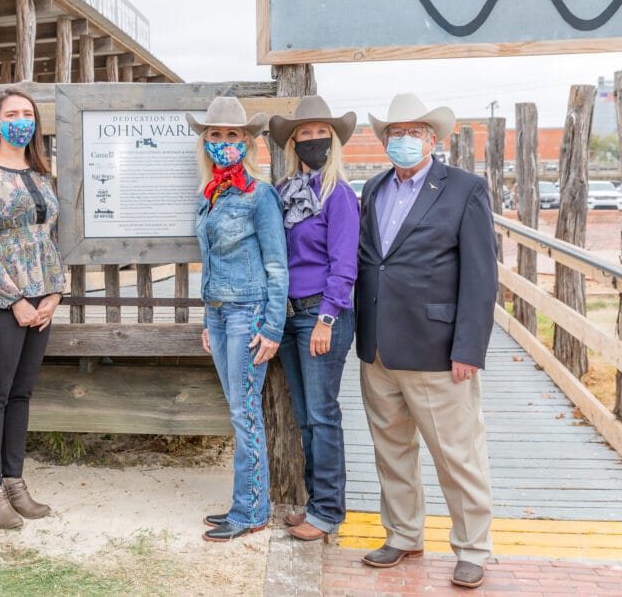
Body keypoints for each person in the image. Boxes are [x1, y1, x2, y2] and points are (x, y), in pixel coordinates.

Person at [356, 93, 497, 589]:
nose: (403, 139)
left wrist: (468, 348)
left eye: (413, 131)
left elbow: (481, 277)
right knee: (391, 449)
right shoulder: (372, 188)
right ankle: (402, 533)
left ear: (432, 139)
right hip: (377, 348)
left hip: (437, 350)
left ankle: (474, 548)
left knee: (457, 454)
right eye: (395, 132)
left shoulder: (465, 189)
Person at [0, 87, 67, 529]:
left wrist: (54, 294)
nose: (21, 120)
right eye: (12, 114)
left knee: (21, 394)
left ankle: (15, 483)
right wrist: (15, 300)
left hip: (39, 302)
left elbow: (47, 240)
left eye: (28, 114)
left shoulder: (41, 175)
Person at [189, 97, 289, 542]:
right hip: (219, 314)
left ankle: (249, 511)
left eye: (233, 135)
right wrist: (207, 318)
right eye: (216, 135)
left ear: (247, 142)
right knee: (239, 412)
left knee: (245, 414)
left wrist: (271, 327)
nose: (224, 142)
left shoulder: (260, 195)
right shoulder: (209, 195)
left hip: (248, 315)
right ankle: (249, 504)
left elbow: (277, 266)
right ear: (205, 141)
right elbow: (208, 261)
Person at [270, 96, 359, 541]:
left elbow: (344, 264)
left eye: (320, 133)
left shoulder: (338, 194)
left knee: (324, 416)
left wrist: (326, 319)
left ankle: (328, 511)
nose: (311, 140)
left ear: (333, 139)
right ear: (292, 143)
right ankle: (312, 504)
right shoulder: (284, 193)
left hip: (320, 316)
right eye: (303, 134)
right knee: (305, 417)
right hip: (287, 316)